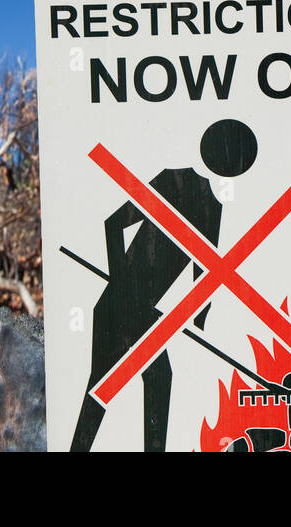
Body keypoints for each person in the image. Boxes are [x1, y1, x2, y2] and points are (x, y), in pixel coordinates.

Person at [70, 118, 258, 452]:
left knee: (156, 380)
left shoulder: (212, 209)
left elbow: (205, 275)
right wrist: (120, 283)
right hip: (118, 301)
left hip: (146, 310)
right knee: (101, 388)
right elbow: (114, 224)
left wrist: (199, 316)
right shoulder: (173, 179)